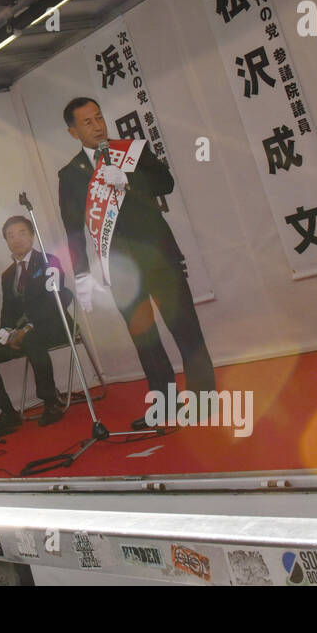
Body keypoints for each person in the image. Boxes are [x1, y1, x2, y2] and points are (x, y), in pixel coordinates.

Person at [58, 97, 216, 429]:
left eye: (99, 117)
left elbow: (166, 183)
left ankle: (204, 401)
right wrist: (83, 273)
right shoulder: (70, 175)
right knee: (145, 339)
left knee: (184, 326)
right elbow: (73, 229)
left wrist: (130, 181)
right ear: (73, 132)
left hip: (158, 255)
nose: (98, 125)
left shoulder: (130, 150)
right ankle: (165, 405)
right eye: (87, 122)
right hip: (118, 268)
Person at [0, 215, 74, 436]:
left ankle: (51, 401)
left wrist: (27, 329)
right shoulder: (7, 275)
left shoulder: (49, 261)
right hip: (22, 334)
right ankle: (8, 414)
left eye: (21, 233)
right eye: (10, 236)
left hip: (54, 325)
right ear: (6, 241)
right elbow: (8, 311)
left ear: (32, 235)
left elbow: (54, 302)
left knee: (31, 338)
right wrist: (6, 333)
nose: (16, 239)